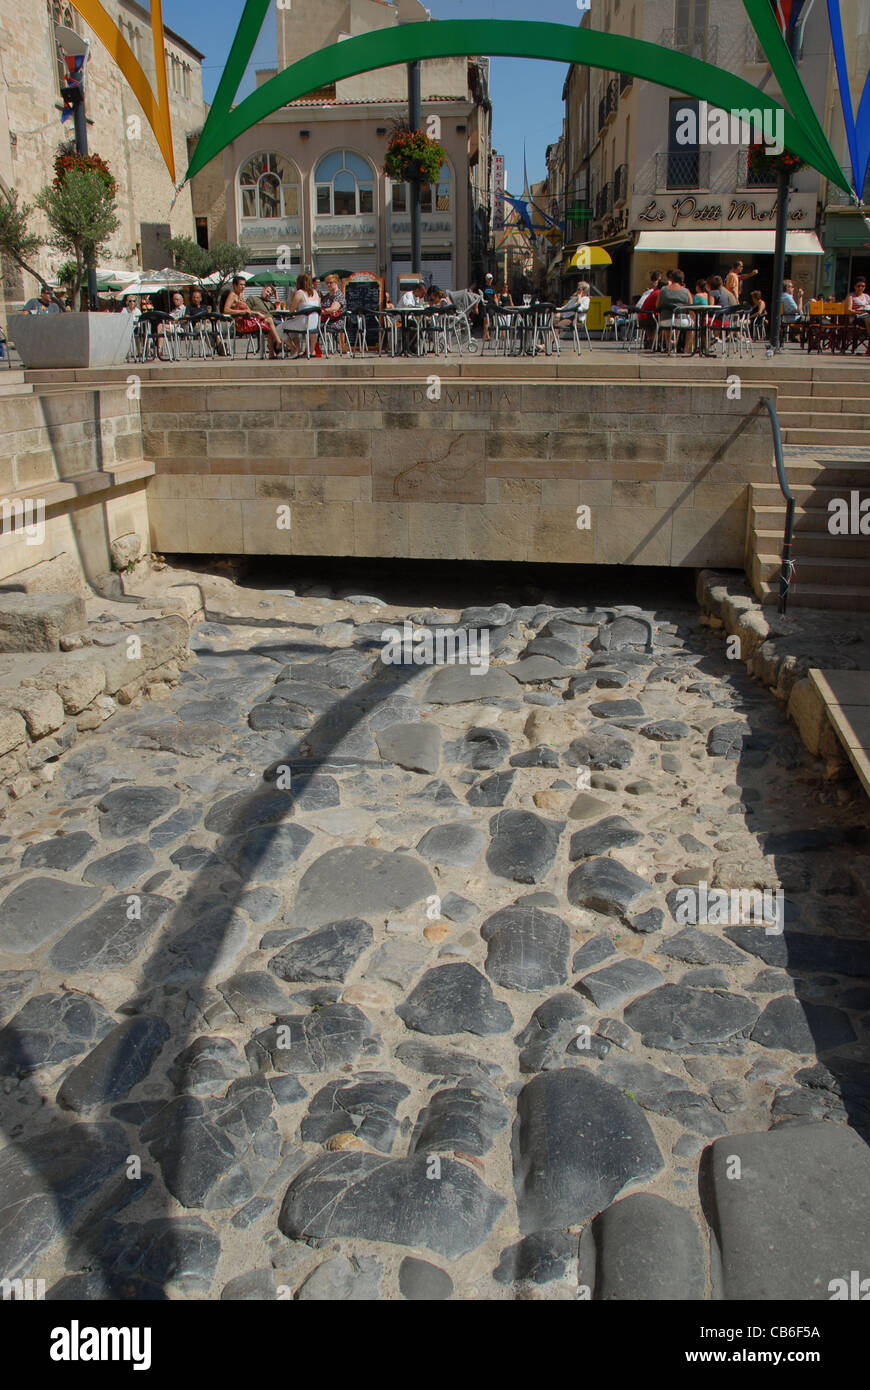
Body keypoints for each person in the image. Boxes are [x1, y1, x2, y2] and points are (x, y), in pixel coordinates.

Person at [223, 275, 283, 358]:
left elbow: (248, 310)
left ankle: (271, 353)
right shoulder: (232, 295)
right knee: (269, 320)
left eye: (244, 285)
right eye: (241, 285)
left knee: (269, 325)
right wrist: (242, 311)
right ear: (235, 285)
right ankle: (279, 343)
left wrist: (257, 313)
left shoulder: (240, 296)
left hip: (248, 321)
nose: (243, 287)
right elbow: (226, 310)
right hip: (242, 324)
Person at [283, 272, 321, 359]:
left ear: (299, 282)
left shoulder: (300, 293)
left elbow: (291, 310)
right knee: (292, 328)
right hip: (314, 325)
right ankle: (311, 351)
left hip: (302, 324)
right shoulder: (315, 293)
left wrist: (292, 297)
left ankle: (294, 349)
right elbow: (318, 307)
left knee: (280, 328)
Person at [656, 268, 693, 353]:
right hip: (682, 321)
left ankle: (669, 345)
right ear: (682, 279)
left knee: (668, 322)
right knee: (692, 325)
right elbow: (691, 307)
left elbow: (657, 305)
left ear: (671, 278)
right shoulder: (686, 291)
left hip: (664, 320)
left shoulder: (663, 290)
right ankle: (686, 348)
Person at [481, 271, 497, 343]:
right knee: (485, 320)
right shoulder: (483, 287)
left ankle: (486, 335)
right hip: (485, 305)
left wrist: (496, 304)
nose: (490, 280)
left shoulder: (493, 288)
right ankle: (486, 336)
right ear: (486, 279)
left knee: (489, 320)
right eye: (489, 278)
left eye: (491, 278)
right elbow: (480, 296)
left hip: (491, 305)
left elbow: (495, 296)